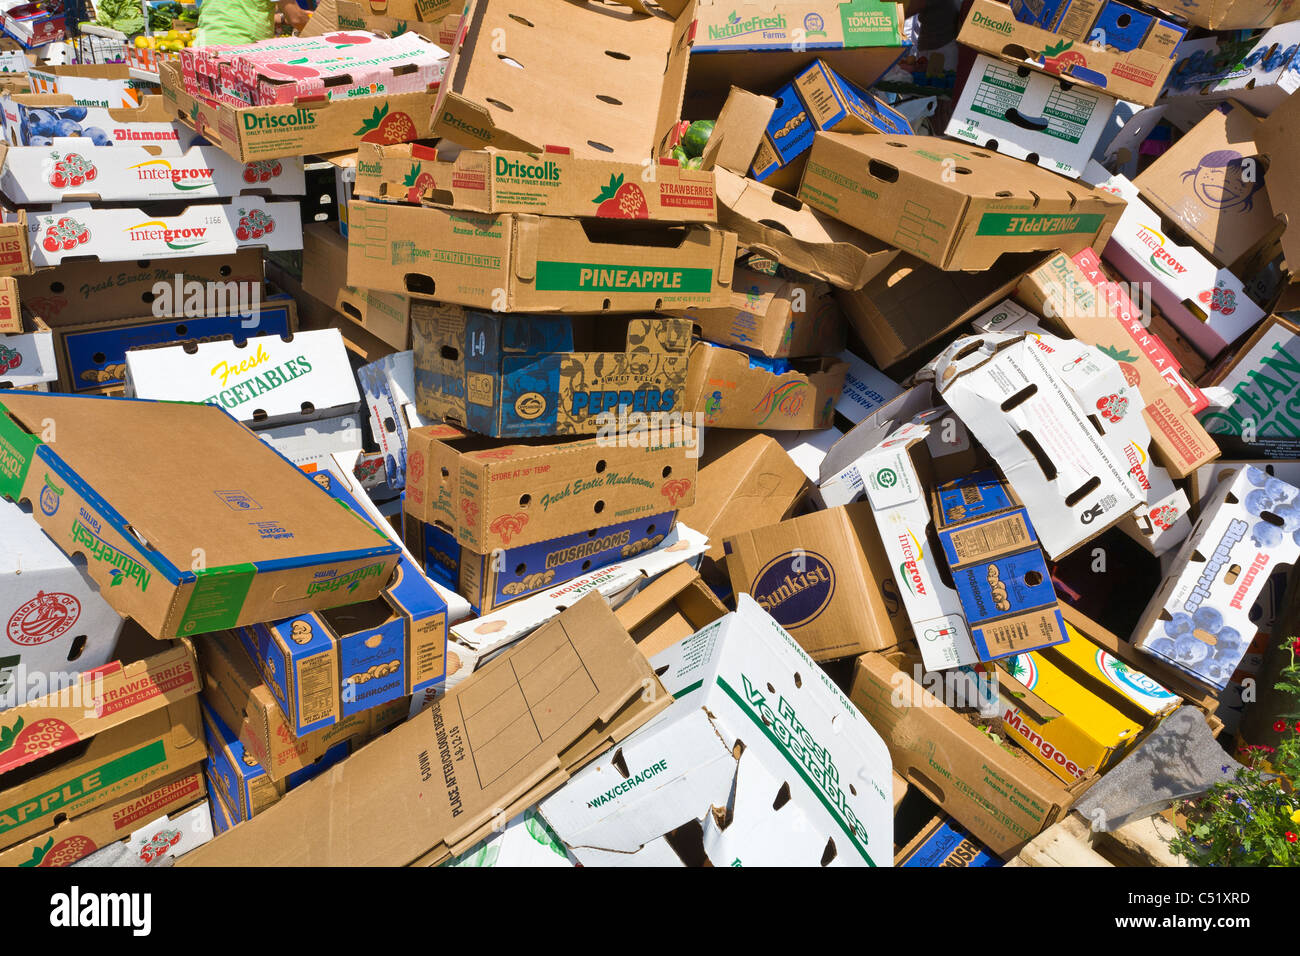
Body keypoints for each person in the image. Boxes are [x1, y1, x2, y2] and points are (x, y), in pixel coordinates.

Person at [196, 0, 311, 45]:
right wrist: (319, 27)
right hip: (240, 51)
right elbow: (296, 19)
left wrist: (281, 18)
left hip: (204, 45)